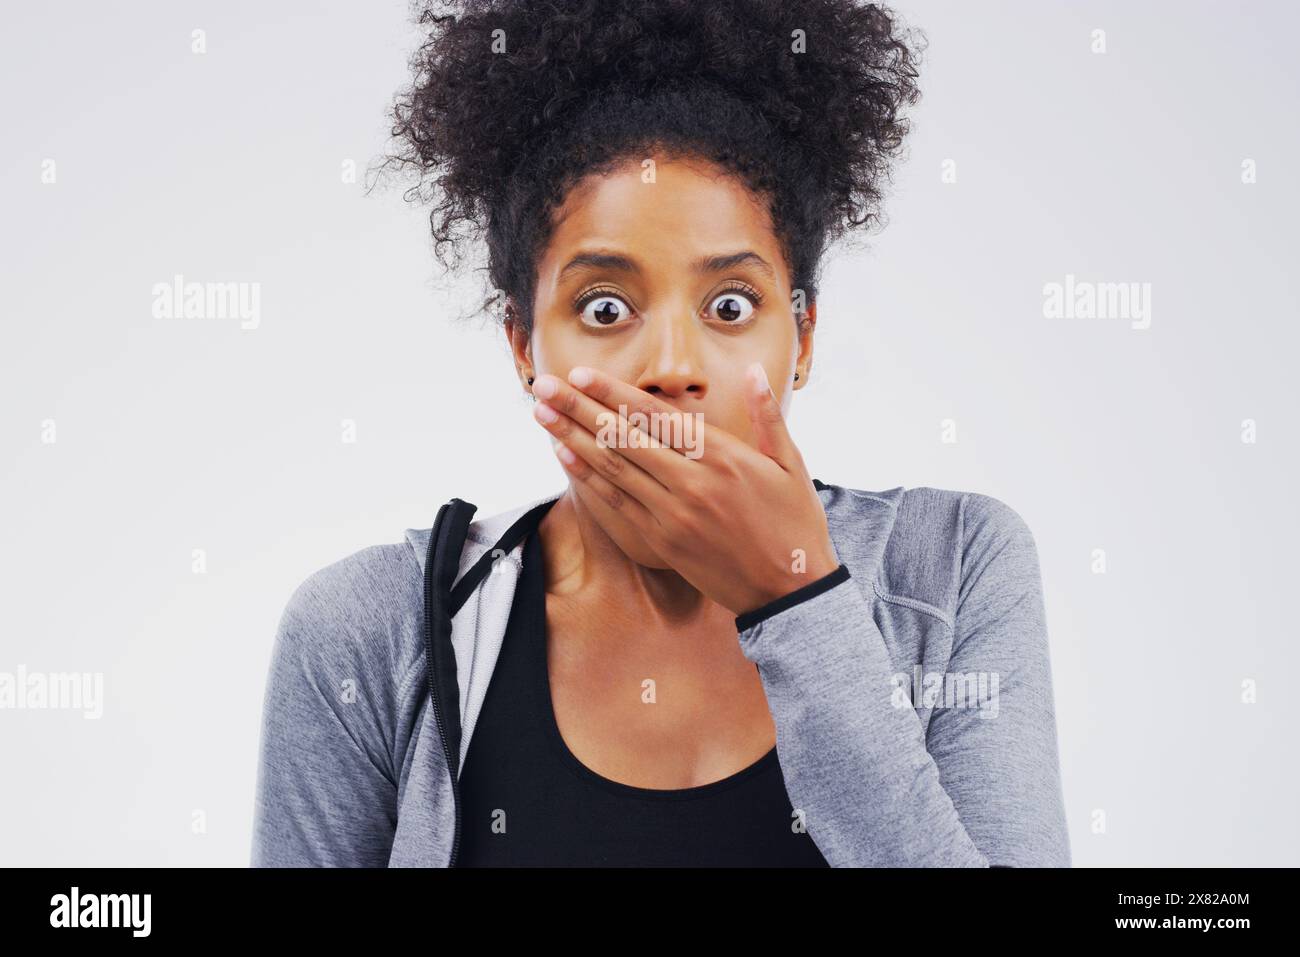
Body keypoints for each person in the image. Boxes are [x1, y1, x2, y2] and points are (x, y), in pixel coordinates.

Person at [251, 0, 1071, 867]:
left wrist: (796, 602)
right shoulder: (370, 634)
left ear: (805, 339)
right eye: (605, 306)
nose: (671, 366)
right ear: (524, 347)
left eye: (730, 305)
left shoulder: (954, 569)